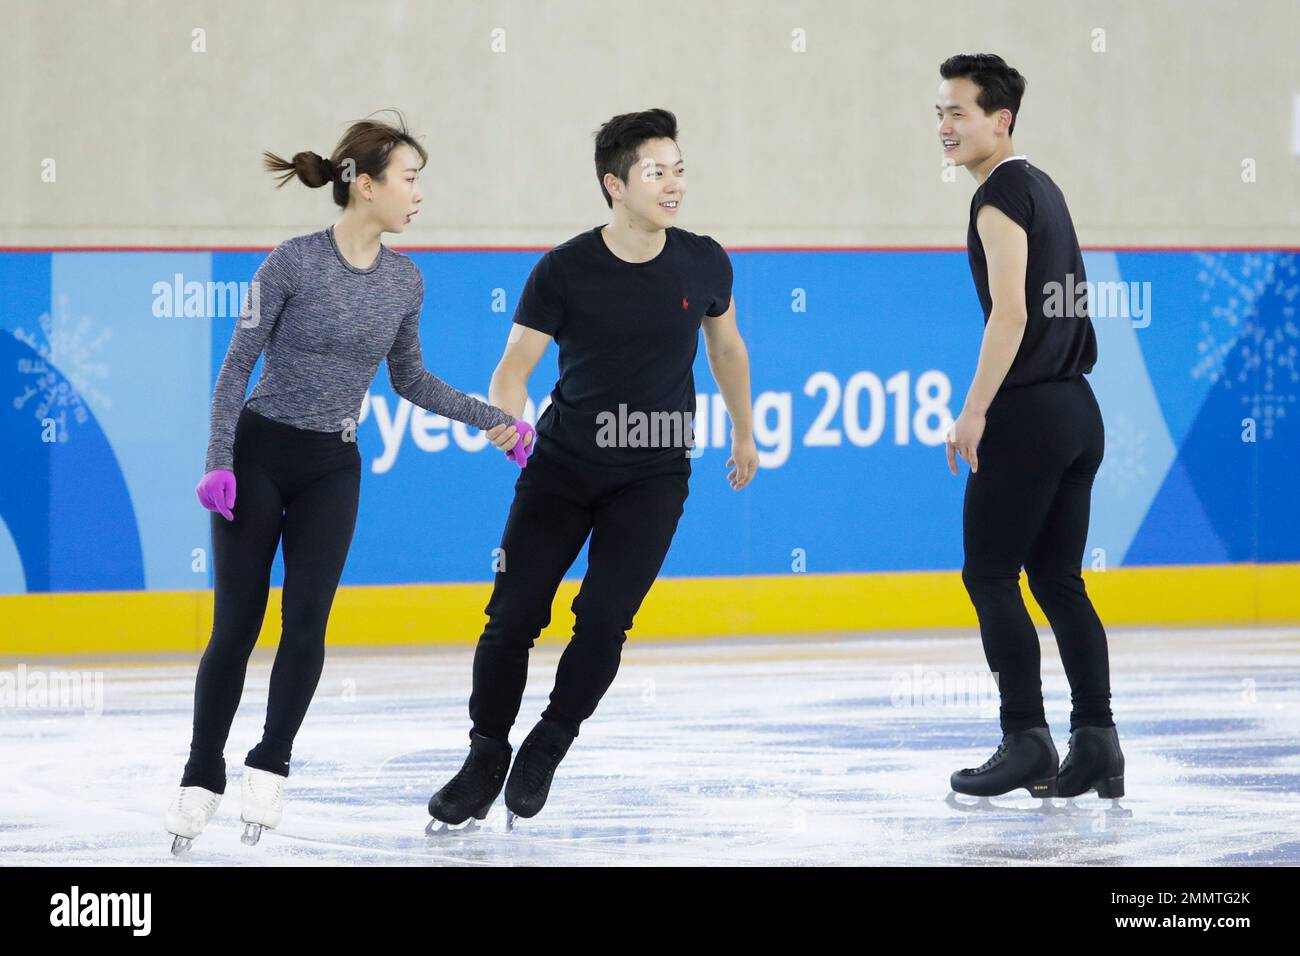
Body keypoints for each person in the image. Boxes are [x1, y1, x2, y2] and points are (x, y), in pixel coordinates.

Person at [165, 111, 532, 854]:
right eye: (409, 179)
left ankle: (270, 764)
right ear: (364, 186)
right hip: (261, 456)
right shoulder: (290, 263)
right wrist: (218, 459)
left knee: (306, 623)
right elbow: (237, 366)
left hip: (332, 467)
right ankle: (202, 773)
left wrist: (489, 416)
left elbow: (411, 379)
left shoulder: (405, 280)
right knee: (236, 626)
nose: (418, 195)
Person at [427, 108, 759, 831]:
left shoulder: (704, 260)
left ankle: (547, 743)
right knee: (512, 616)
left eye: (679, 169)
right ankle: (485, 755)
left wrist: (744, 430)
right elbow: (513, 368)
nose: (674, 184)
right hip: (561, 468)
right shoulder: (564, 269)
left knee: (604, 620)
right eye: (656, 171)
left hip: (655, 476)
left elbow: (727, 350)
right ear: (615, 184)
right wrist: (508, 423)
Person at [937, 56, 1124, 804]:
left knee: (988, 575)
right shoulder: (1042, 185)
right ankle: (1098, 744)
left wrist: (975, 407)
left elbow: (1011, 312)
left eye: (959, 113)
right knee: (1056, 580)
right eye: (940, 113)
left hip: (1029, 414)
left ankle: (1027, 738)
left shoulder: (998, 195)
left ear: (1000, 120)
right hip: (1077, 409)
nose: (946, 127)